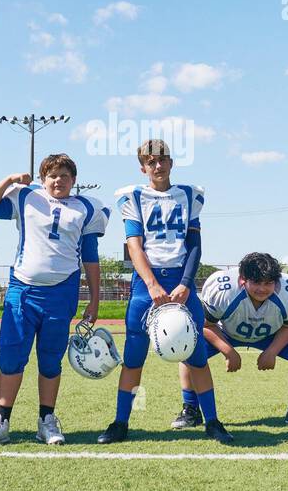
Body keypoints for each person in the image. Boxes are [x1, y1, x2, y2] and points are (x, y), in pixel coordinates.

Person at [98, 139, 233, 445]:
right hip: (147, 287)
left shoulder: (188, 195)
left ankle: (212, 421)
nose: (157, 166)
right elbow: (134, 245)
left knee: (197, 357)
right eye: (151, 162)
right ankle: (120, 422)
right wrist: (152, 284)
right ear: (143, 167)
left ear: (171, 162)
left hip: (182, 283)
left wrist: (186, 282)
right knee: (133, 359)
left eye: (163, 160)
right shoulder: (133, 196)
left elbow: (195, 245)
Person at [0, 154, 108, 447]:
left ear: (73, 179)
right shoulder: (26, 197)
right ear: (42, 178)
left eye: (64, 175)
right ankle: (0, 420)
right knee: (11, 357)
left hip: (62, 292)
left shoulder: (86, 207)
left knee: (50, 359)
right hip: (23, 289)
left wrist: (95, 299)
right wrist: (9, 180)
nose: (57, 180)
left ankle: (47, 420)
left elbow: (91, 257)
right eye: (51, 175)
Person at [191, 252, 288, 429]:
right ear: (242, 280)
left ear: (276, 282)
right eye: (256, 282)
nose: (262, 289)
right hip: (225, 332)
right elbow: (206, 325)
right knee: (190, 350)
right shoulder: (224, 292)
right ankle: (191, 409)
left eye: (268, 283)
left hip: (269, 334)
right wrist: (228, 351)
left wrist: (272, 351)